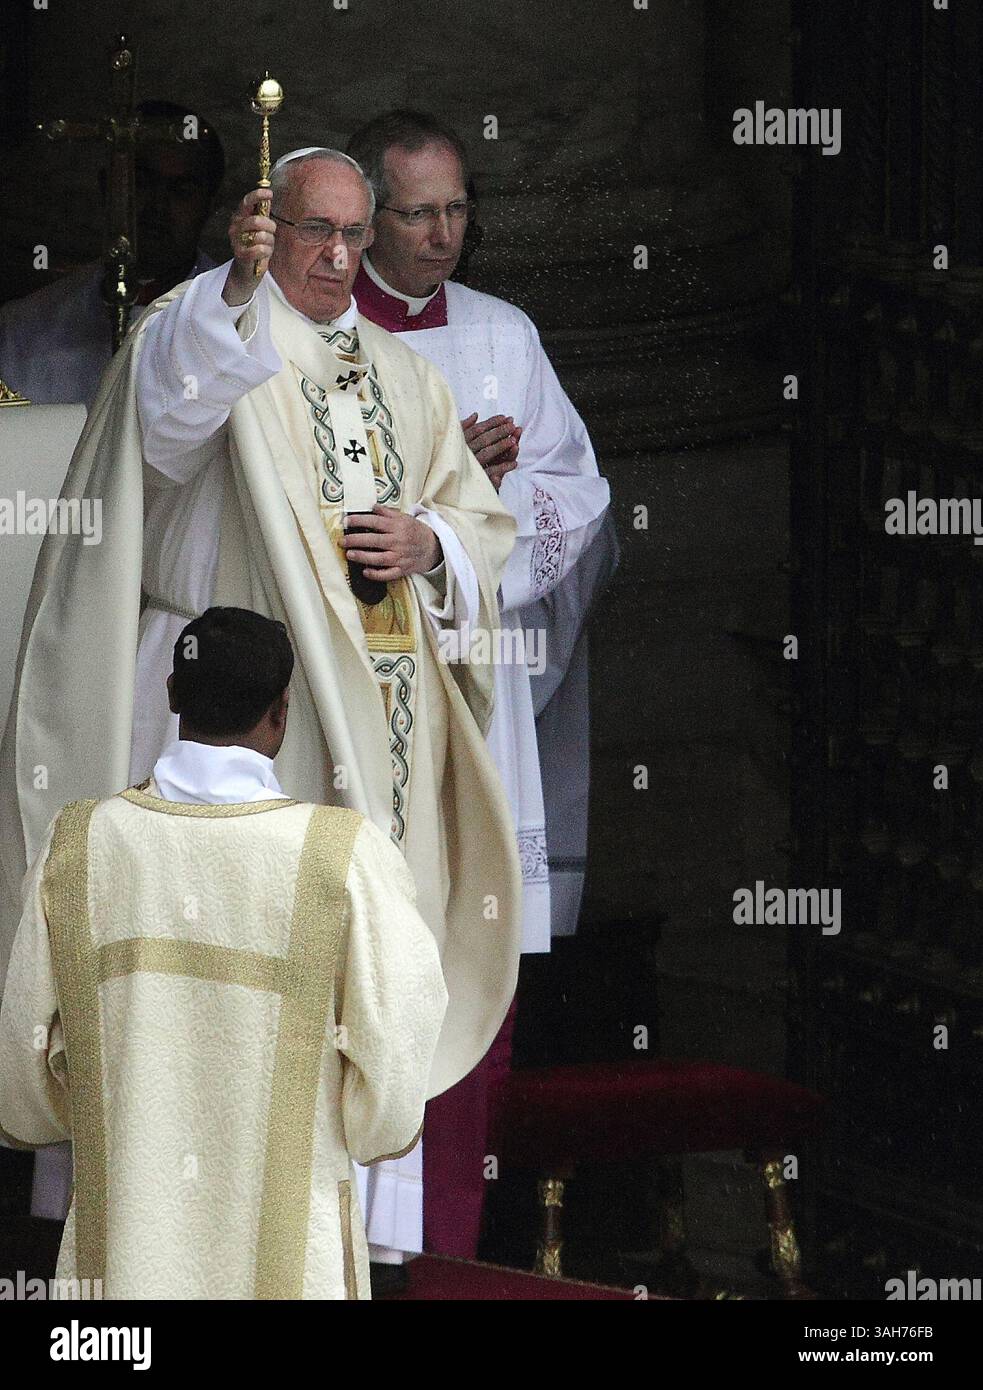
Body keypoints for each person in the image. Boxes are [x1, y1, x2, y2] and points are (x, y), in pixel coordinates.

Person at [0, 145, 521, 1286]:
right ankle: (146, 1240)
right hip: (229, 707)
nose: (336, 256)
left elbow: (480, 527)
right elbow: (169, 424)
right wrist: (232, 291)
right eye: (309, 233)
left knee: (336, 978)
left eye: (349, 235)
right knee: (195, 979)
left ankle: (329, 1247)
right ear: (264, 230)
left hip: (367, 729)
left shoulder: (401, 371)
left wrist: (427, 542)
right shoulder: (207, 333)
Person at [346, 110, 617, 1259]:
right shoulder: (304, 328)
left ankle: (437, 1249)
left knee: (470, 956)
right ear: (363, 218)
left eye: (458, 208)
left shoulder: (507, 333)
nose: (442, 233)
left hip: (473, 687)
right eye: (416, 211)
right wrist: (444, 473)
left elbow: (581, 497)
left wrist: (471, 514)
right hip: (353, 696)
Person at [0, 606, 447, 1299]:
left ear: (171, 694)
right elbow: (392, 1061)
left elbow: (22, 1078)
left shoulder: (80, 846)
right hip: (289, 1257)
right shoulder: (342, 856)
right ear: (282, 712)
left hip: (124, 1252)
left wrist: (105, 1110)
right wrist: (356, 1123)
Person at [0, 101, 224, 407]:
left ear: (210, 205)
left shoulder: (239, 327)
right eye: (142, 182)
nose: (158, 206)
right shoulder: (25, 330)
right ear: (107, 187)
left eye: (181, 190)